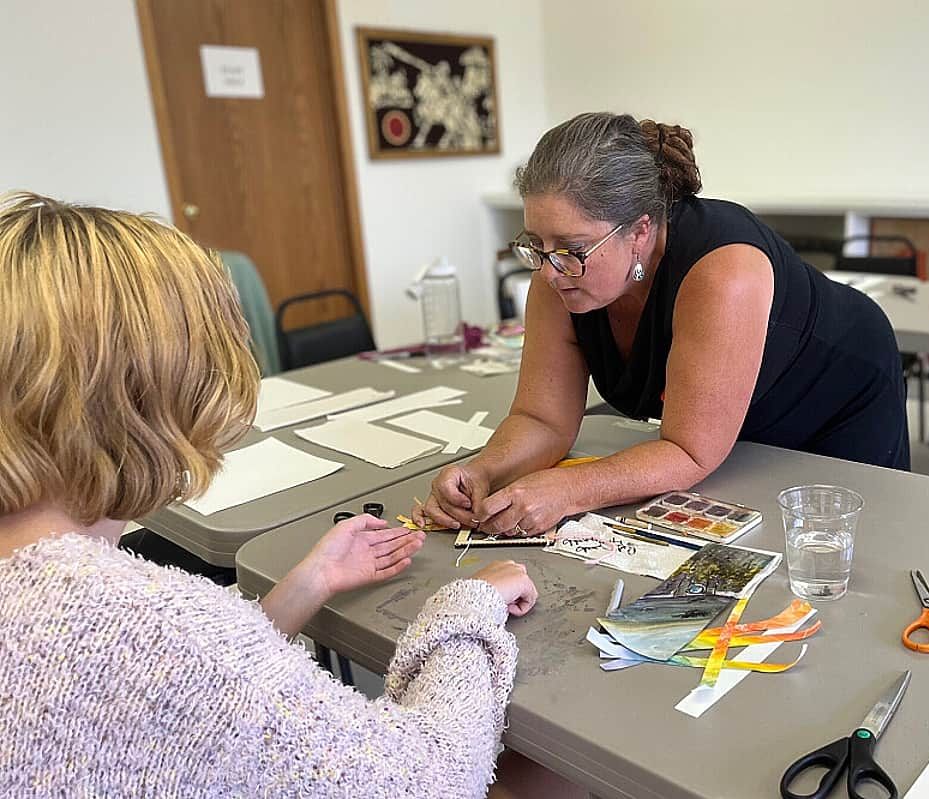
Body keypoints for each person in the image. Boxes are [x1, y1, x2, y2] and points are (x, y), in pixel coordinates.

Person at [0, 193, 543, 798]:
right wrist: (468, 608)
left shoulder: (93, 614)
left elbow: (168, 691)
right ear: (162, 392)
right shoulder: (161, 631)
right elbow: (432, 780)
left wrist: (309, 582)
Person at [416, 112, 909, 537]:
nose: (547, 271)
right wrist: (483, 470)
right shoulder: (560, 274)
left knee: (840, 547)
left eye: (571, 248)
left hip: (838, 388)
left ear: (641, 231)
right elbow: (541, 420)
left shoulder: (723, 271)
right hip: (726, 423)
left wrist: (571, 488)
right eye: (536, 245)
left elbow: (690, 451)